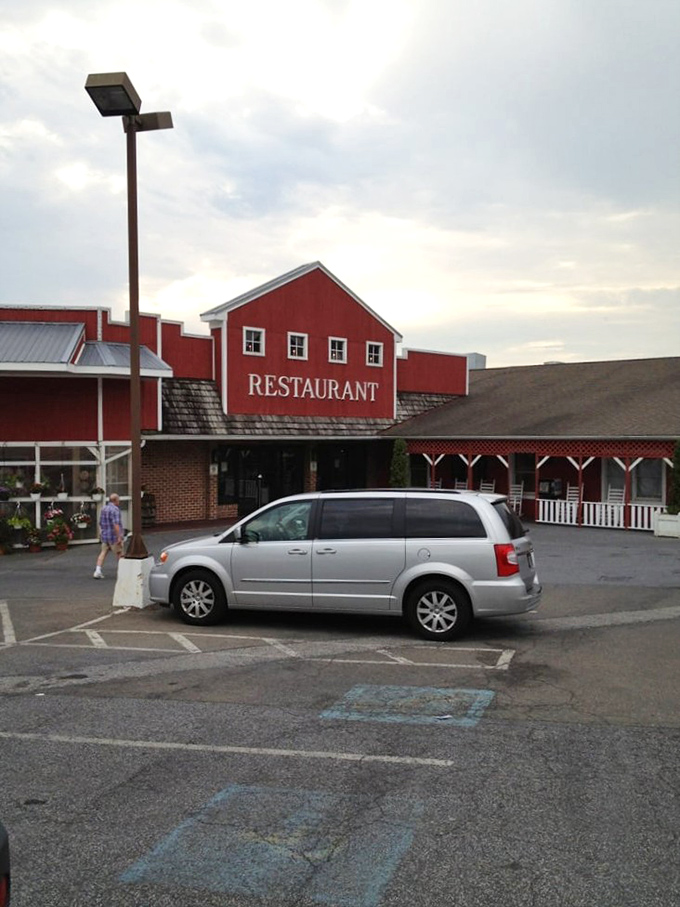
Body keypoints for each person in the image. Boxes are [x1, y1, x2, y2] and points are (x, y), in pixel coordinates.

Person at [93, 493, 124, 578]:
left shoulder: (104, 509)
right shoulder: (115, 510)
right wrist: (119, 537)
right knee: (119, 553)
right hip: (113, 536)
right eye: (118, 500)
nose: (119, 501)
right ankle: (122, 572)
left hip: (105, 535)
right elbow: (116, 524)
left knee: (103, 552)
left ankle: (97, 571)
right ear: (115, 500)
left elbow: (100, 522)